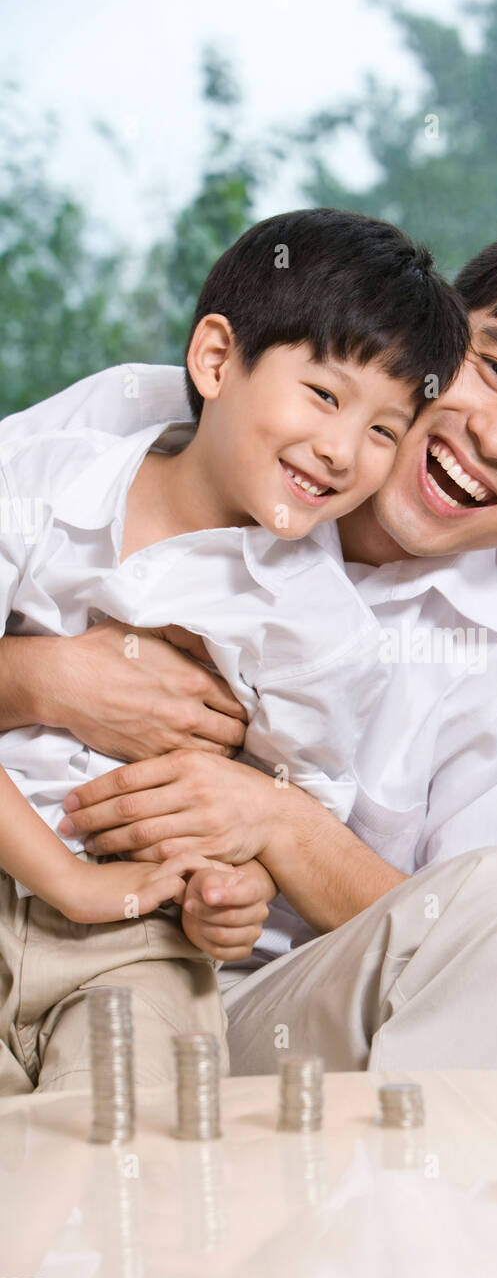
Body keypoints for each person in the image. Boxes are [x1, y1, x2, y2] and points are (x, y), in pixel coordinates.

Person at [0, 226, 497, 1076]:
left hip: (256, 1007)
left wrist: (278, 822)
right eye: (495, 370)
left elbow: (489, 959)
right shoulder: (143, 419)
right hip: (26, 885)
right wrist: (37, 679)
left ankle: (437, 1203)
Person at [0, 208, 468, 1094]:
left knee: (130, 1147)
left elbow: (274, 824)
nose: (341, 451)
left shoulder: (319, 631)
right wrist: (66, 879)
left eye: (384, 431)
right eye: (325, 396)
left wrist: (231, 899)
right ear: (216, 360)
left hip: (137, 944)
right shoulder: (42, 482)